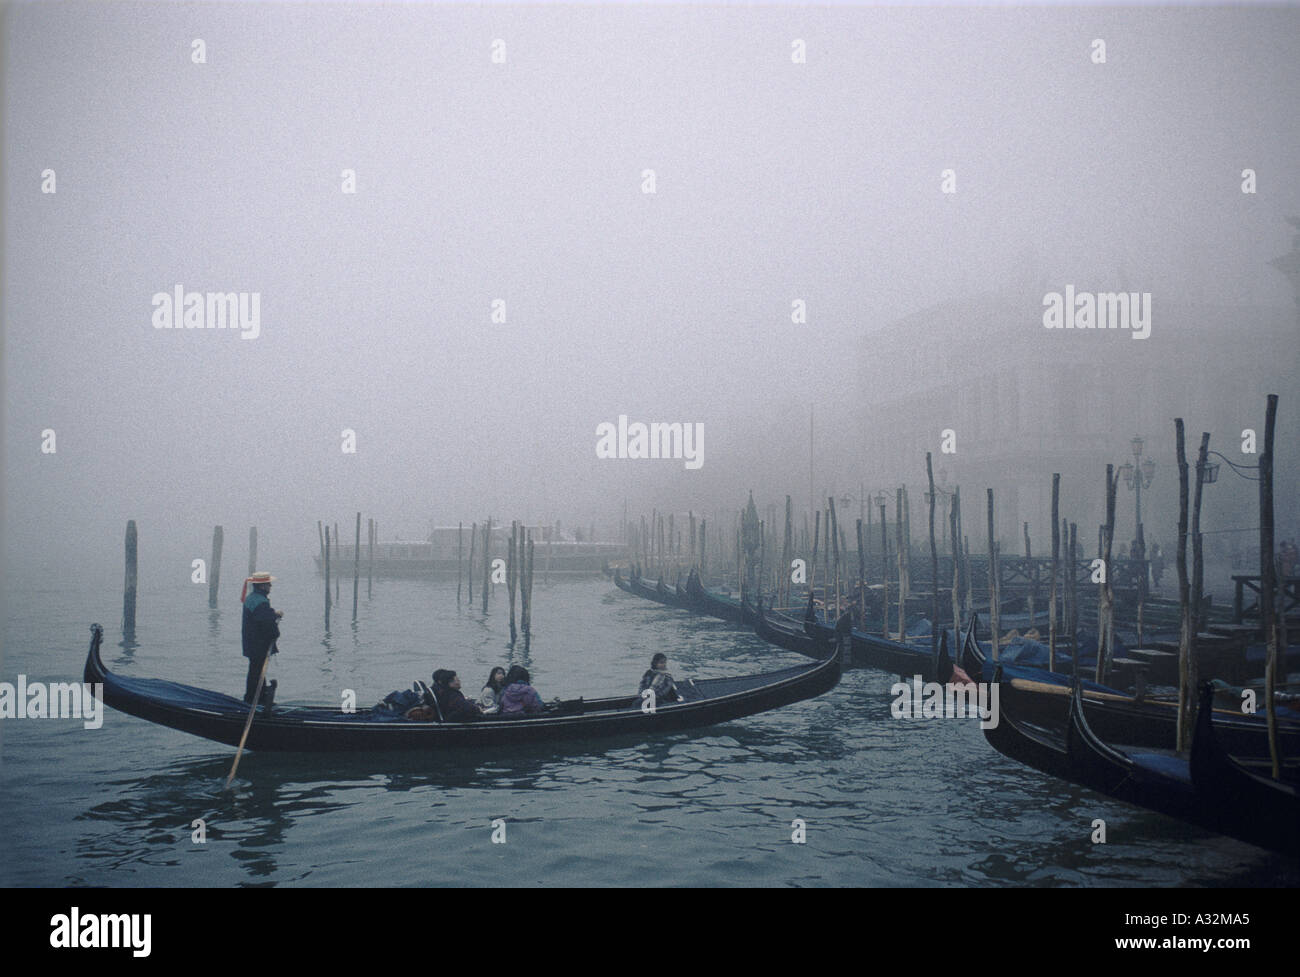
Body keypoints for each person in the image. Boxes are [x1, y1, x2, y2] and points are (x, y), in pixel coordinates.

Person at [241, 571, 283, 706]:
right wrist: (275, 634)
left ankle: (256, 697)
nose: (270, 586)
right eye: (268, 584)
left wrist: (273, 614)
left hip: (251, 642)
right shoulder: (260, 602)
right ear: (262, 586)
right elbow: (266, 623)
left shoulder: (253, 598)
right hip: (257, 643)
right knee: (257, 670)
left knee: (256, 670)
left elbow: (263, 616)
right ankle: (255, 699)